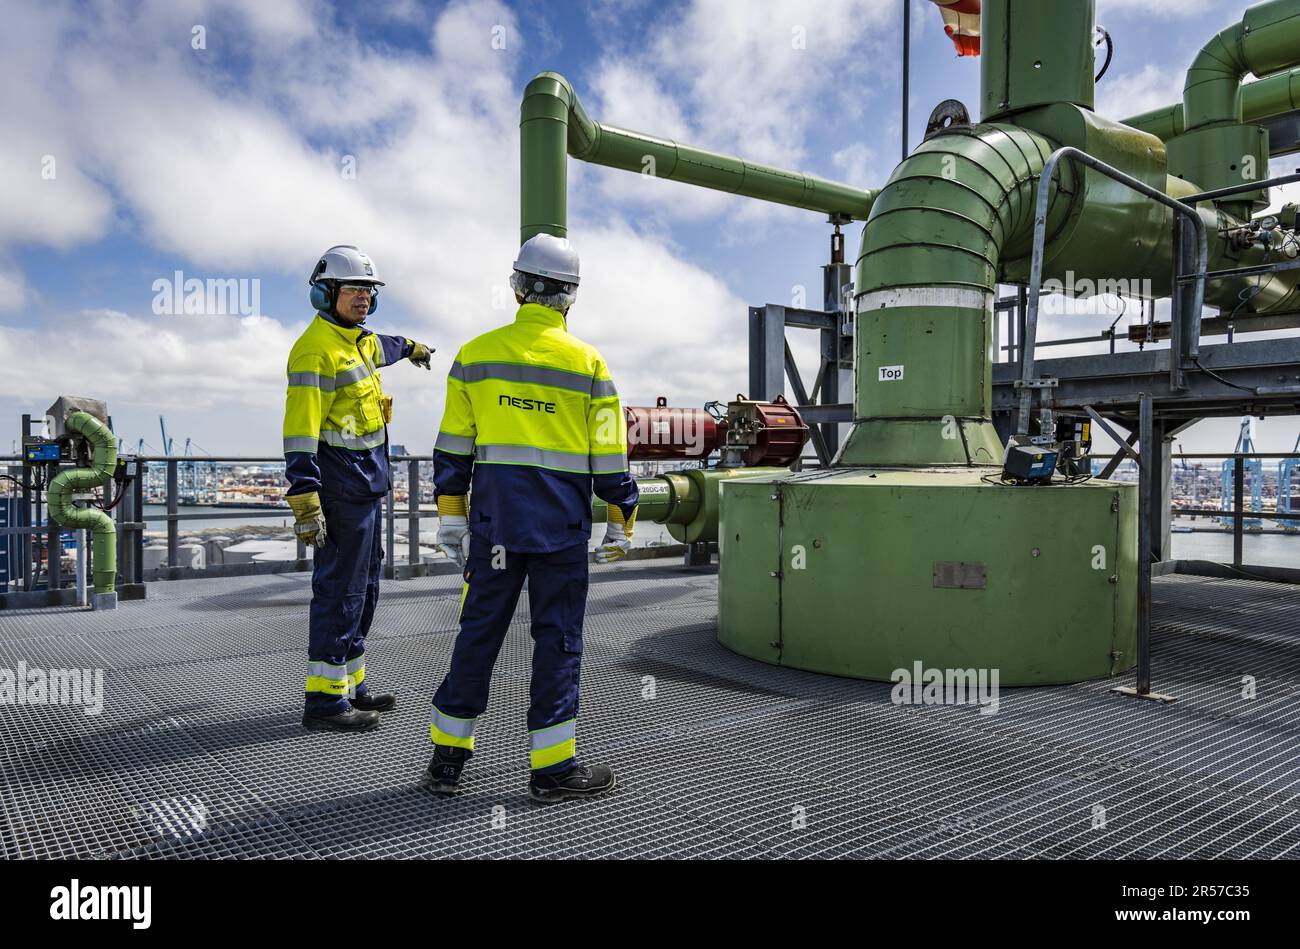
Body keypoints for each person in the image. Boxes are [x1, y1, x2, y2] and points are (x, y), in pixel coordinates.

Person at [426, 233, 639, 802]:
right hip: (562, 534)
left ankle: (448, 760)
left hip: (494, 529)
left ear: (517, 287)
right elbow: (610, 458)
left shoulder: (475, 355)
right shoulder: (589, 364)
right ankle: (551, 771)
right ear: (570, 297)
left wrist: (451, 513)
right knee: (558, 641)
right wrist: (621, 518)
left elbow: (452, 447)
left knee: (478, 635)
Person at [283, 244, 435, 732]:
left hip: (368, 490)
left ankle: (352, 684)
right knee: (339, 592)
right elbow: (300, 430)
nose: (363, 299)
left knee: (365, 589)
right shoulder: (316, 351)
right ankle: (324, 703)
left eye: (369, 291)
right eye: (353, 290)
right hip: (339, 492)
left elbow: (385, 345)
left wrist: (414, 348)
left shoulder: (360, 343)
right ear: (323, 295)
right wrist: (304, 494)